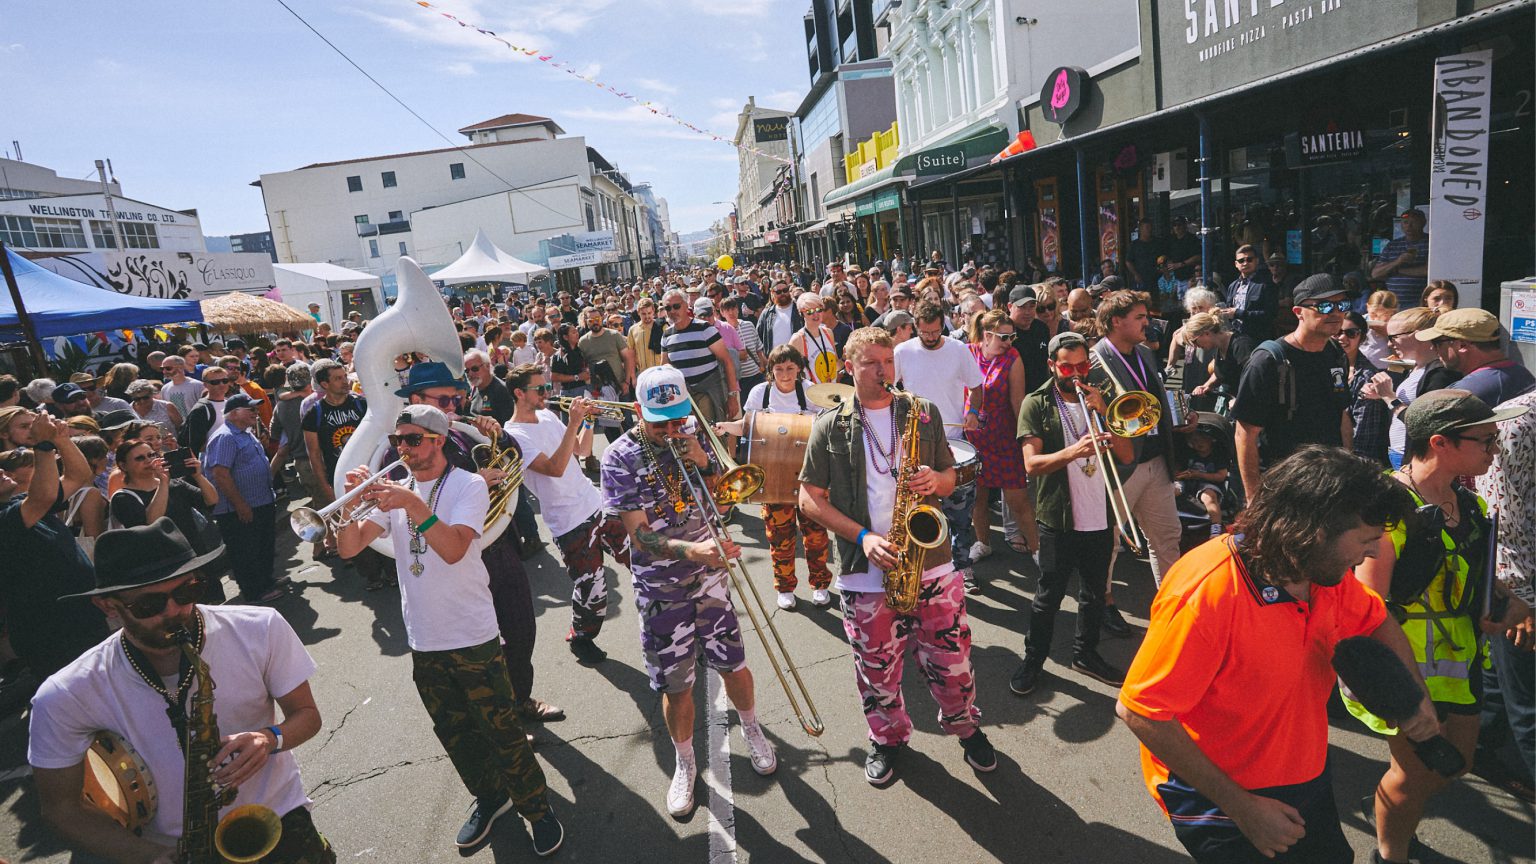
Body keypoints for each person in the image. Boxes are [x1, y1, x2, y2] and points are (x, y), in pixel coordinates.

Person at [1117, 446, 1430, 863]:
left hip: (1305, 774)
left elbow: (1377, 619)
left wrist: (1416, 697)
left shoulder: (1323, 572)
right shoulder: (1207, 593)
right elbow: (1140, 712)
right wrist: (1242, 808)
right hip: (1220, 800)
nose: (1372, 553)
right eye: (1366, 540)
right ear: (1315, 531)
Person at [29, 518, 335, 864]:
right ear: (108, 605)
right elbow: (62, 809)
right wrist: (150, 856)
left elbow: (307, 715)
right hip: (174, 850)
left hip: (278, 819)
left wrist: (271, 738)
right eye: (149, 605)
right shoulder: (64, 694)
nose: (175, 611)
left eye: (187, 592)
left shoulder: (260, 628)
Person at [335, 405, 562, 854]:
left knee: (502, 732)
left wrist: (411, 504)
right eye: (398, 440)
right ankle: (491, 798)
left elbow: (455, 548)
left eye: (412, 439)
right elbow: (350, 547)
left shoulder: (468, 485)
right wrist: (346, 505)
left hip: (472, 635)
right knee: (455, 733)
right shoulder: (398, 490)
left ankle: (537, 809)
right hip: (424, 639)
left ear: (438, 440)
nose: (402, 448)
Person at [798, 327, 996, 787]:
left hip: (933, 562)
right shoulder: (829, 425)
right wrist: (863, 537)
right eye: (871, 362)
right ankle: (886, 739)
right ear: (849, 367)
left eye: (888, 361)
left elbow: (951, 473)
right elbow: (808, 499)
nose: (883, 370)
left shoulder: (921, 412)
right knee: (876, 671)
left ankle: (967, 729)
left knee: (953, 661)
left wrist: (939, 482)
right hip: (865, 572)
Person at [1346, 391, 1531, 862]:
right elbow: (1370, 606)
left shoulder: (1470, 504)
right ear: (1440, 443)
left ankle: (1392, 812)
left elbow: (1478, 575)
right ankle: (1391, 853)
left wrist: (1511, 604)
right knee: (1413, 775)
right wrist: (1408, 689)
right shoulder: (1388, 509)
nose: (1495, 450)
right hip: (1405, 666)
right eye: (1485, 440)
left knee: (1457, 764)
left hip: (1459, 659)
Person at [599, 365, 777, 817]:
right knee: (677, 685)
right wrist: (695, 551)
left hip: (711, 580)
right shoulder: (619, 457)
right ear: (638, 411)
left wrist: (703, 460)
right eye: (660, 422)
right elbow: (640, 535)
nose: (672, 430)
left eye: (678, 419)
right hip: (662, 587)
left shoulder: (696, 436)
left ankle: (752, 728)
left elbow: (725, 499)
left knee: (734, 664)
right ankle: (685, 762)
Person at [1011, 332, 1135, 696]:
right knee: (1048, 596)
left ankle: (1085, 654)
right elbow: (1031, 465)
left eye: (1084, 366)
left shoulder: (1101, 397)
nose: (1078, 374)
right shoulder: (1036, 403)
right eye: (1069, 368)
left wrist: (1105, 413)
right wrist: (1074, 452)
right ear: (1052, 365)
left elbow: (1127, 455)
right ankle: (1034, 659)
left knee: (1094, 593)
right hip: (1059, 517)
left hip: (1100, 515)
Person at [505, 365, 631, 664]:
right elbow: (555, 468)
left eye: (547, 387)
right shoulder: (514, 435)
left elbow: (581, 450)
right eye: (540, 389)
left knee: (640, 557)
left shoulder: (548, 415)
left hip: (596, 503)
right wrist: (574, 421)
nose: (547, 394)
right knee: (593, 590)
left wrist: (587, 421)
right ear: (519, 393)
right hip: (569, 523)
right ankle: (581, 637)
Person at [715, 344, 832, 610]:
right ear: (771, 371)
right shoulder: (760, 392)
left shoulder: (811, 392)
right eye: (779, 369)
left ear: (799, 368)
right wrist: (725, 428)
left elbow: (825, 429)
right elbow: (747, 427)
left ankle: (820, 584)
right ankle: (785, 587)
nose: (785, 374)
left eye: (790, 368)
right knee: (780, 537)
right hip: (773, 477)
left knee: (815, 535)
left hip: (808, 477)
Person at [0, 414, 108, 678]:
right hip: (51, 632)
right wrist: (44, 445)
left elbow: (78, 476)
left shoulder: (20, 504)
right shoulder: (7, 518)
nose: (1, 470)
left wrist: (61, 439)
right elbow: (45, 495)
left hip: (82, 617)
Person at [1232, 274, 1354, 504]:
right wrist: (1253, 498)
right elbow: (1245, 433)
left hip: (1330, 483)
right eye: (1325, 306)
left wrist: (1349, 469)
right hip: (1284, 487)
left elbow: (1342, 416)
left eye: (1342, 305)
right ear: (1298, 312)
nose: (1336, 313)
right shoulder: (1268, 361)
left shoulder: (1336, 354)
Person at [894, 301, 985, 588]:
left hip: (953, 442)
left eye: (935, 332)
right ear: (915, 327)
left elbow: (977, 387)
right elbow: (891, 390)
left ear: (942, 325)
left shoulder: (958, 350)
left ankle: (962, 567)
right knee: (920, 510)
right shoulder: (903, 351)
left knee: (959, 513)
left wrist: (972, 413)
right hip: (916, 444)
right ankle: (925, 570)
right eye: (925, 332)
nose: (931, 337)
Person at [1473, 389, 1536, 795]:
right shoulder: (1517, 424)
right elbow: (1503, 522)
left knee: (1502, 680)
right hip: (1524, 586)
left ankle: (1479, 748)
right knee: (1529, 699)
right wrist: (1523, 601)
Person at [963, 309, 1036, 568]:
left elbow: (1018, 403)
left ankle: (1038, 551)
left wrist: (1025, 440)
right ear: (987, 335)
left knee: (1018, 501)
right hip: (974, 441)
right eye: (1003, 337)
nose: (1008, 342)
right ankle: (983, 543)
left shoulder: (1012, 358)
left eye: (1011, 337)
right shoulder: (968, 353)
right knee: (978, 499)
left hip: (1004, 440)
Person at [202, 393, 282, 604]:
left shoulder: (245, 433)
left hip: (260, 502)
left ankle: (266, 582)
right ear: (234, 413)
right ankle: (254, 591)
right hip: (239, 508)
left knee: (263, 546)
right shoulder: (225, 437)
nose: (256, 413)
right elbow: (220, 474)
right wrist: (240, 504)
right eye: (251, 409)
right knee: (246, 551)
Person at [1360, 307, 1461, 469]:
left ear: (1418, 335)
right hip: (1400, 452)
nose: (1389, 344)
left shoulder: (1439, 374)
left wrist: (1389, 397)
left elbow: (1424, 421)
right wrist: (1381, 393)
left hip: (1416, 457)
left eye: (1393, 337)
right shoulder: (1417, 367)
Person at [1418, 307, 1536, 407]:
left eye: (1437, 342)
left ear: (1462, 345)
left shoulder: (1462, 395)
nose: (1432, 348)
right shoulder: (1521, 372)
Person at [659, 289, 739, 424]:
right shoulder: (666, 335)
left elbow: (727, 361)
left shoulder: (705, 329)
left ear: (686, 306)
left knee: (715, 433)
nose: (672, 311)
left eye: (676, 306)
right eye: (668, 308)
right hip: (684, 398)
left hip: (709, 395)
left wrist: (732, 396)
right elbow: (664, 367)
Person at [1337, 311, 1391, 466]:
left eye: (1351, 333)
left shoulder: (1368, 376)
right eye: (1337, 332)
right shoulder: (1327, 365)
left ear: (1362, 337)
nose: (1342, 338)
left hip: (1352, 461)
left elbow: (1363, 435)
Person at [1372, 208, 1431, 309]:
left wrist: (1398, 270)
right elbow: (1375, 274)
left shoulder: (1430, 243)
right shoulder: (1392, 245)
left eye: (1414, 222)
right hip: (1394, 303)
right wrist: (1397, 262)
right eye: (1405, 222)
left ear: (1423, 223)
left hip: (1420, 303)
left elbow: (1428, 271)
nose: (1409, 226)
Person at [1224, 244, 1278, 339]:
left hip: (1258, 337)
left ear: (1257, 261)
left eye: (1249, 259)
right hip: (1235, 336)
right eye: (1241, 261)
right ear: (1236, 264)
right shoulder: (1232, 286)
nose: (1245, 263)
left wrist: (1239, 313)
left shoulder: (1266, 284)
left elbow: (1271, 314)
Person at [179, 365, 235, 456]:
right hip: (211, 460)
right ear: (205, 385)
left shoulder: (231, 404)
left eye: (225, 381)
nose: (221, 385)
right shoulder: (201, 409)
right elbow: (195, 446)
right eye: (215, 382)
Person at [789, 292, 841, 385]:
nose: (816, 314)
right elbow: (790, 372)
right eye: (810, 311)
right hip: (810, 392)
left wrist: (845, 358)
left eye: (818, 310)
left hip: (831, 390)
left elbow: (835, 366)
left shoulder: (828, 333)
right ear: (802, 314)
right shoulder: (798, 339)